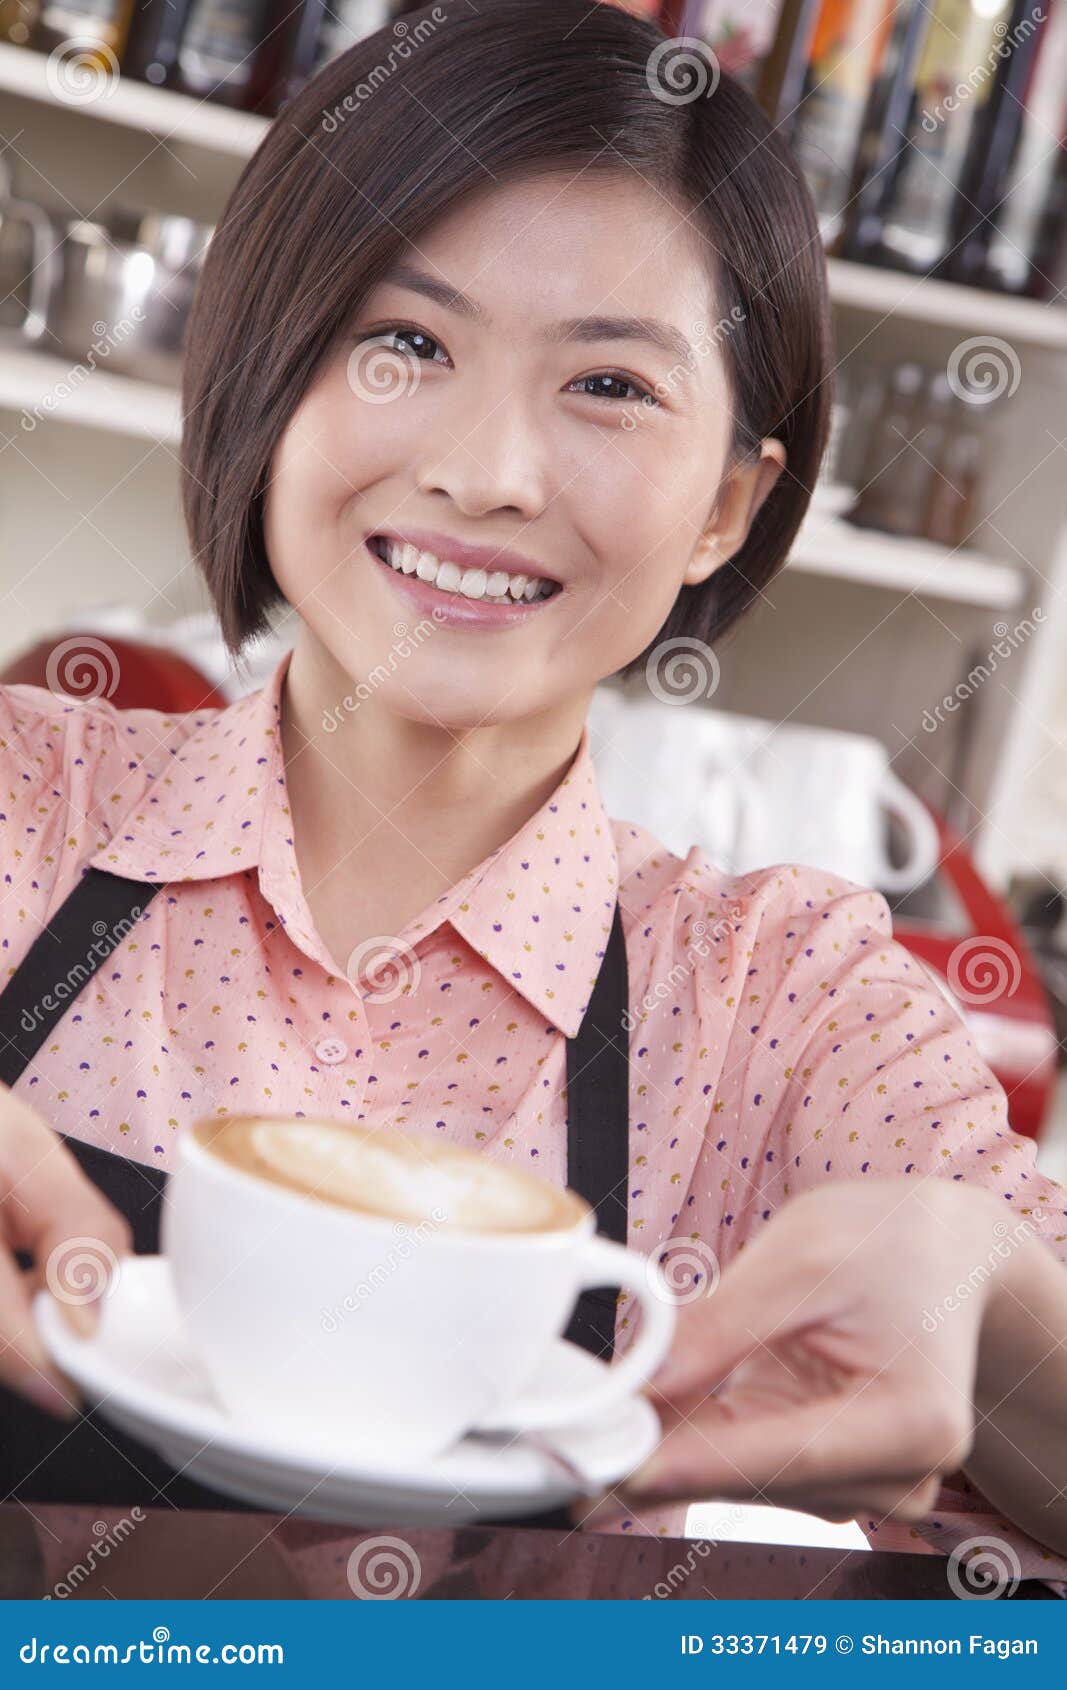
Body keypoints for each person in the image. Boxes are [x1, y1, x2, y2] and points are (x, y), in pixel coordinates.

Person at [1, 0, 1065, 1581]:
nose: (491, 470)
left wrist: (989, 1303)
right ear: (269, 374)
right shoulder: (26, 798)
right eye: (407, 343)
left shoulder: (787, 1001)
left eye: (612, 386)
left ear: (727, 502)